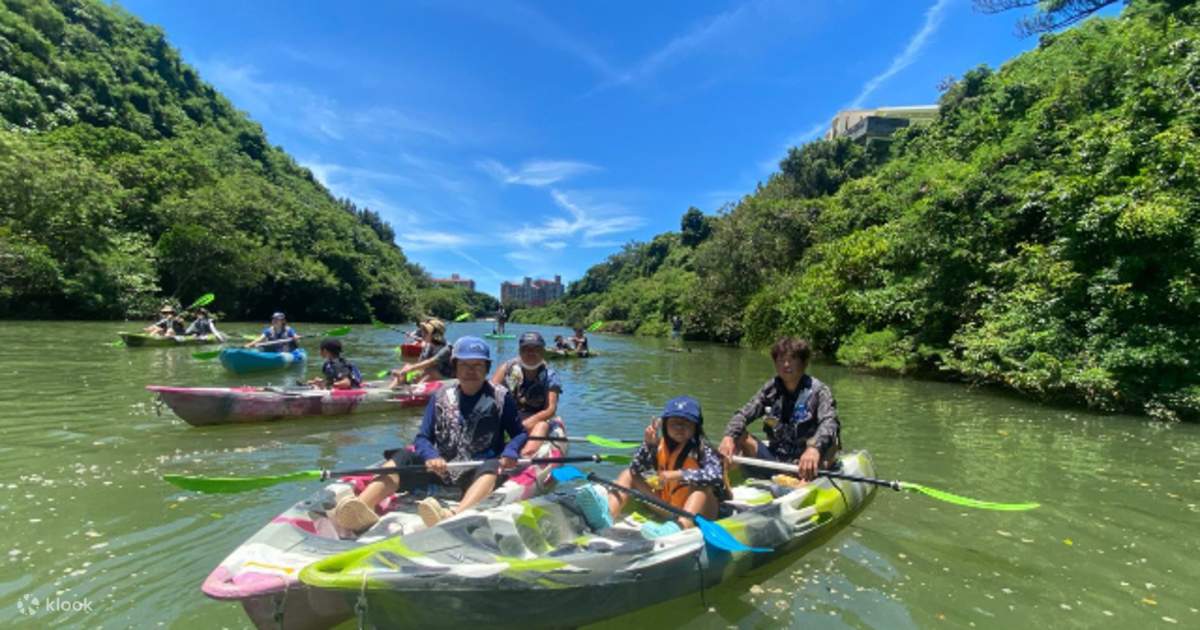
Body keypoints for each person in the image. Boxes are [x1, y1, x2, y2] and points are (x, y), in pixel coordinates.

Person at [330, 336, 528, 533]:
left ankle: (454, 514)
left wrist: (510, 450)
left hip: (477, 471)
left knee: (491, 464)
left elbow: (519, 434)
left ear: (486, 368)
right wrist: (431, 456)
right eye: (465, 364)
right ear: (455, 367)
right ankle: (362, 507)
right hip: (440, 469)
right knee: (404, 456)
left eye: (478, 365)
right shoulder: (440, 396)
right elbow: (422, 438)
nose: (471, 370)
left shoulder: (501, 397)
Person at [573, 396, 725, 539]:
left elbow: (716, 476)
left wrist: (678, 474)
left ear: (696, 427)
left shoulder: (703, 450)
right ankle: (607, 516)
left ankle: (678, 527)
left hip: (699, 514)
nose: (680, 428)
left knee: (701, 489)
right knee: (629, 474)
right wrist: (648, 446)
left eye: (686, 423)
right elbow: (636, 468)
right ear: (665, 425)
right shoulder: (659, 445)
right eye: (674, 423)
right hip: (668, 507)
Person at [718, 337, 840, 481]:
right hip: (776, 457)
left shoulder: (819, 391)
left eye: (792, 359)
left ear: (804, 363)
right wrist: (728, 437)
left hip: (808, 460)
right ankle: (721, 483)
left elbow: (830, 422)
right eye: (781, 360)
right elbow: (743, 414)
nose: (786, 364)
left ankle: (806, 483)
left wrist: (814, 448)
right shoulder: (770, 389)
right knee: (738, 434)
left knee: (831, 442)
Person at [490, 332, 563, 457]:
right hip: (508, 416)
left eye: (536, 349)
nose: (531, 353)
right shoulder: (506, 369)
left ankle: (524, 456)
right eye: (526, 349)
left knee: (542, 426)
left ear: (543, 351)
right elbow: (490, 395)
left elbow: (551, 409)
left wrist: (527, 423)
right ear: (519, 351)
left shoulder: (550, 375)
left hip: (535, 419)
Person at [390, 319, 451, 386]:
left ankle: (416, 389)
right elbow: (420, 363)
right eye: (423, 331)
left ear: (435, 334)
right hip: (430, 375)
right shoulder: (429, 346)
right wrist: (404, 372)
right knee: (408, 367)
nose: (423, 334)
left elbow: (431, 362)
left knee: (430, 372)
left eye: (426, 332)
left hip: (447, 378)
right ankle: (391, 390)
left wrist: (411, 369)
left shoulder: (447, 348)